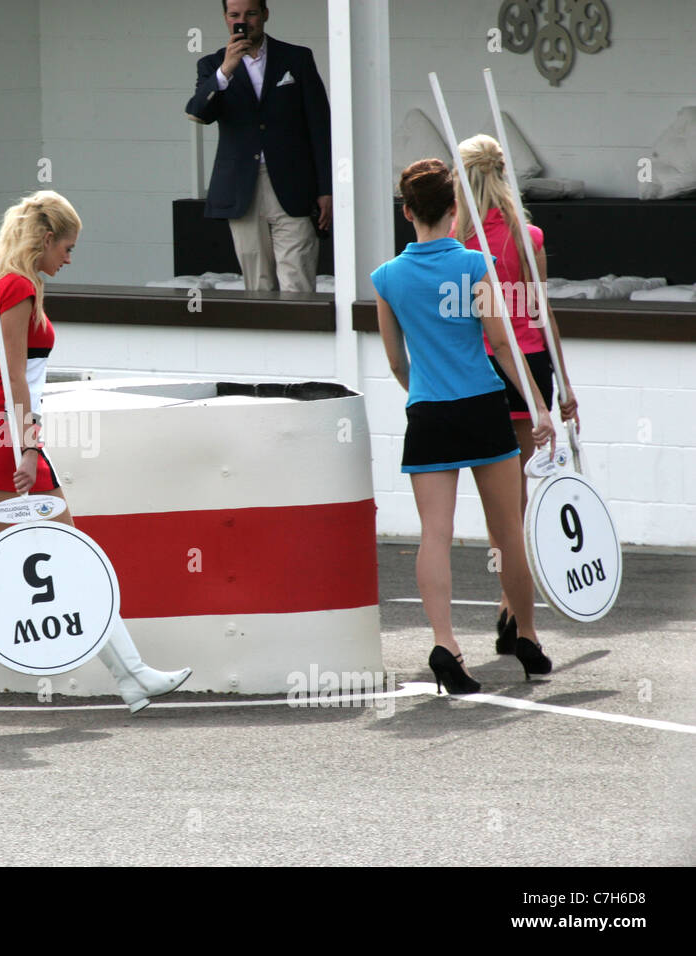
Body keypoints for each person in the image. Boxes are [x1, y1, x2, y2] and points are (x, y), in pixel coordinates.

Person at [0, 190, 192, 726]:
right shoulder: (16, 287)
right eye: (67, 247)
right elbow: (12, 377)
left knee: (68, 551)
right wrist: (23, 446)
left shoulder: (8, 285)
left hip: (2, 434)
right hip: (10, 437)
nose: (69, 258)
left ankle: (133, 676)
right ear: (45, 239)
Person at [371, 160, 555, 693]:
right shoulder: (475, 265)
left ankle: (445, 643)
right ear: (455, 211)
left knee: (435, 535)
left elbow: (395, 362)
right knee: (507, 533)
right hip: (482, 405)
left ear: (407, 212)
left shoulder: (386, 278)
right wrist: (539, 406)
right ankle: (527, 634)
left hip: (429, 412)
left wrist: (422, 395)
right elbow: (500, 344)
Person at [451, 134, 580, 655]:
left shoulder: (457, 243)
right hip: (530, 361)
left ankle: (510, 601)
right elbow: (543, 314)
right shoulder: (529, 236)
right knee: (526, 498)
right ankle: (516, 613)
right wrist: (565, 383)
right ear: (504, 174)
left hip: (483, 362)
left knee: (498, 500)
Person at [185, 0, 332, 292]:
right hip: (241, 187)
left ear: (265, 14)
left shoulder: (297, 58)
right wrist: (226, 70)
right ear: (226, 18)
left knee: (298, 278)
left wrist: (326, 187)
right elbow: (198, 113)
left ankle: (299, 337)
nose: (244, 21)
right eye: (235, 15)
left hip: (293, 185)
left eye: (251, 13)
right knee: (257, 283)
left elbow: (321, 126)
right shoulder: (212, 65)